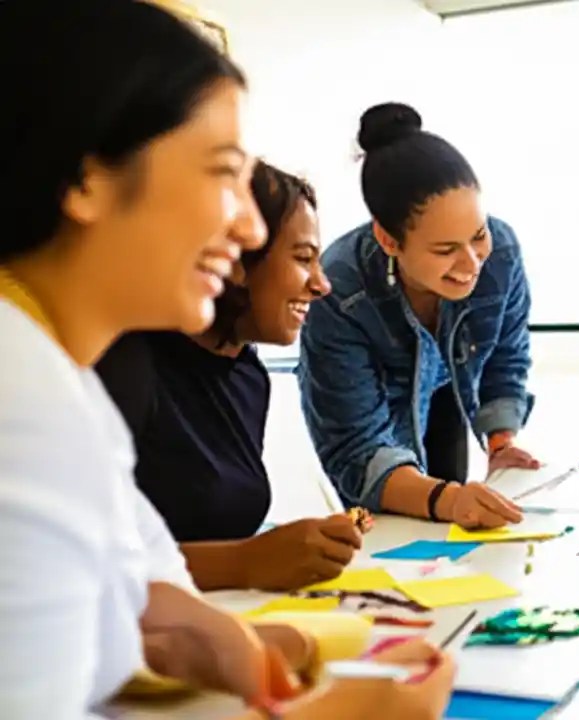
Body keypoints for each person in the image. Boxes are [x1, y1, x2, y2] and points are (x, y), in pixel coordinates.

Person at [0, 1, 453, 717]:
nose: (244, 227)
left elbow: (150, 602)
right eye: (220, 174)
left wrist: (274, 649)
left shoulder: (64, 386)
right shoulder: (20, 399)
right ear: (88, 179)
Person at [95, 160, 366, 592]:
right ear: (233, 258)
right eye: (302, 259)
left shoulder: (248, 374)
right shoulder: (123, 368)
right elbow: (91, 560)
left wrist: (296, 548)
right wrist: (245, 563)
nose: (322, 284)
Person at [298, 102, 537, 529]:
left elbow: (504, 355)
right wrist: (449, 499)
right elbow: (357, 450)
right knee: (399, 539)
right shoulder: (338, 291)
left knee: (459, 535)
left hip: (449, 393)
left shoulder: (500, 250)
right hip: (377, 426)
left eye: (477, 236)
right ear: (389, 240)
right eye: (445, 250)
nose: (471, 264)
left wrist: (501, 443)